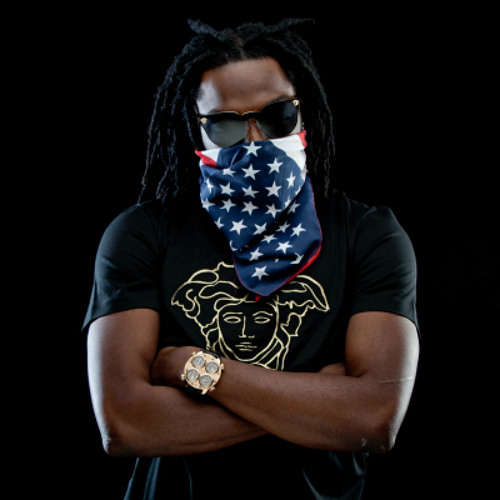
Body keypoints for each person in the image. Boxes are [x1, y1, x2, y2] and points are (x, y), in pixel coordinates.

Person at [84, 18, 419, 500]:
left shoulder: (368, 234)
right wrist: (319, 401)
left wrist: (192, 366)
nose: (256, 141)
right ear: (197, 130)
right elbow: (126, 424)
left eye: (277, 116)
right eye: (225, 125)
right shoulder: (142, 234)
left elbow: (374, 419)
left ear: (304, 114)